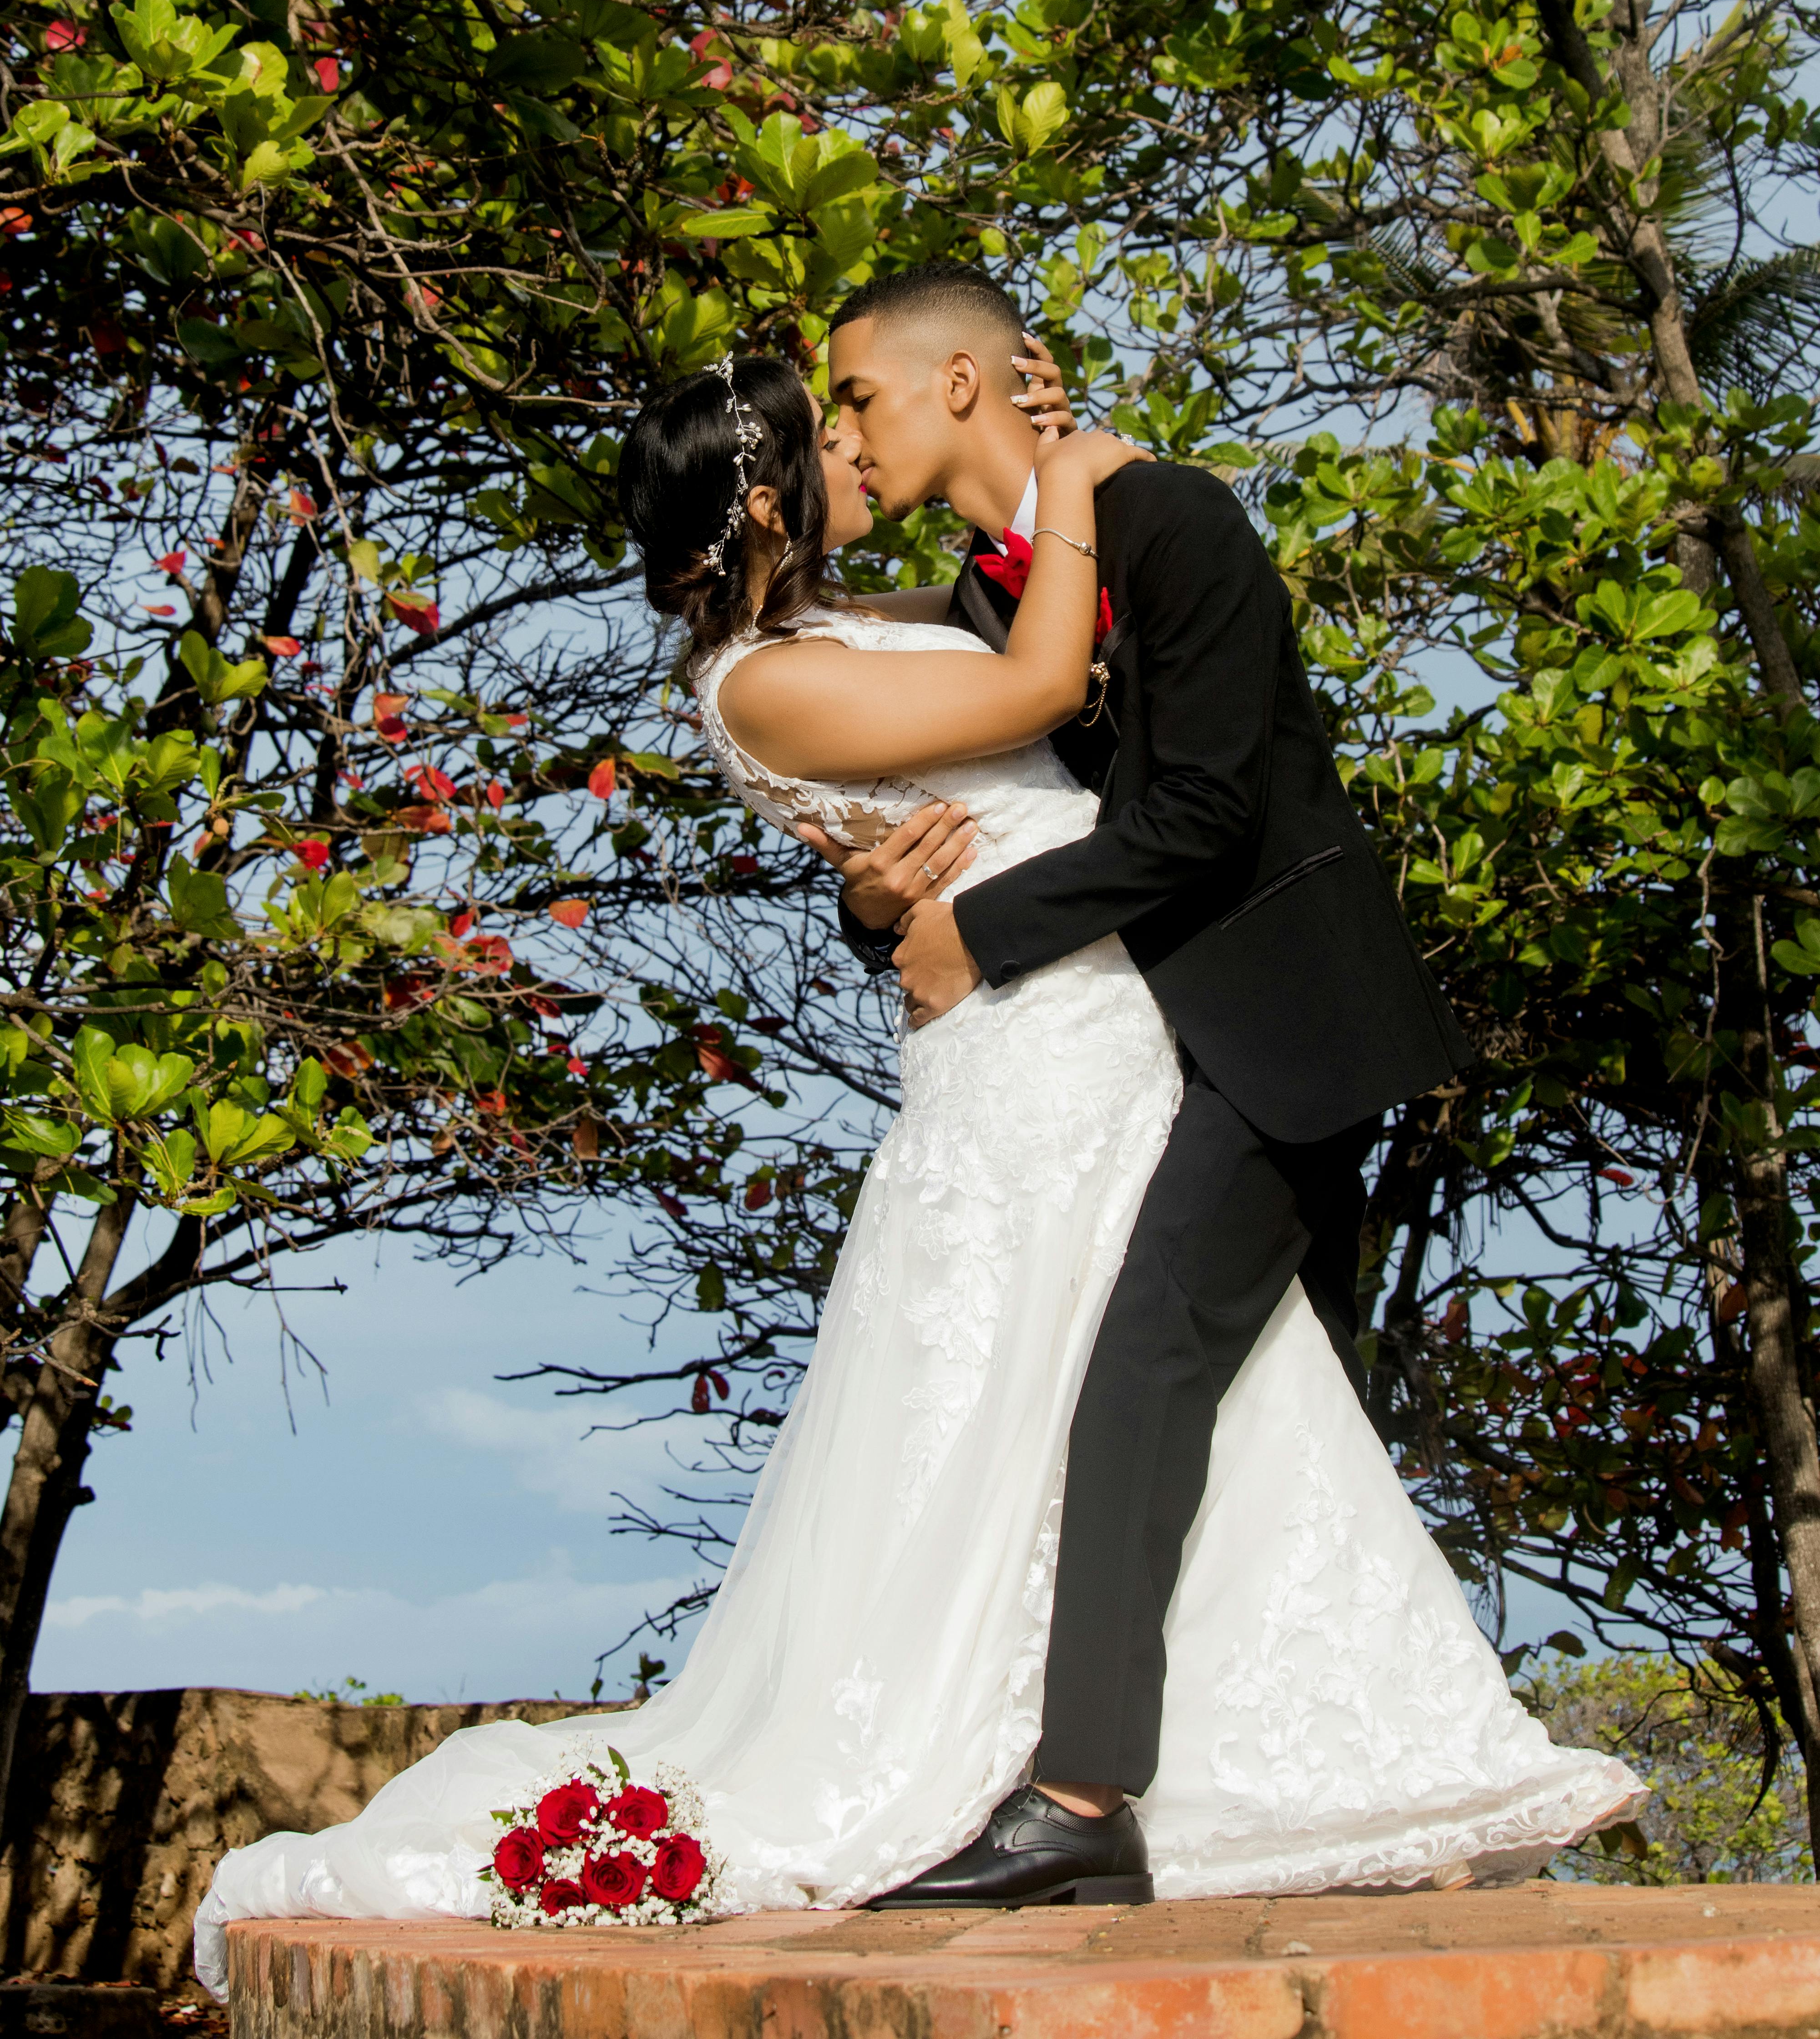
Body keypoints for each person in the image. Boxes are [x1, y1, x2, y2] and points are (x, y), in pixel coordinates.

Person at [192, 338, 1635, 1995]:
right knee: (1068, 1393)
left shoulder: (910, 610)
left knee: (1173, 1390)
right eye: (833, 438)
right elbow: (1031, 698)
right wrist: (1067, 496)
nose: (860, 456)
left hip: (1118, 1027)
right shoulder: (758, 675)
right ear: (765, 489)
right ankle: (1071, 1781)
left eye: (865, 410)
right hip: (1034, 1060)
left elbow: (1060, 713)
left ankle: (1255, 1764)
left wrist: (1064, 469)